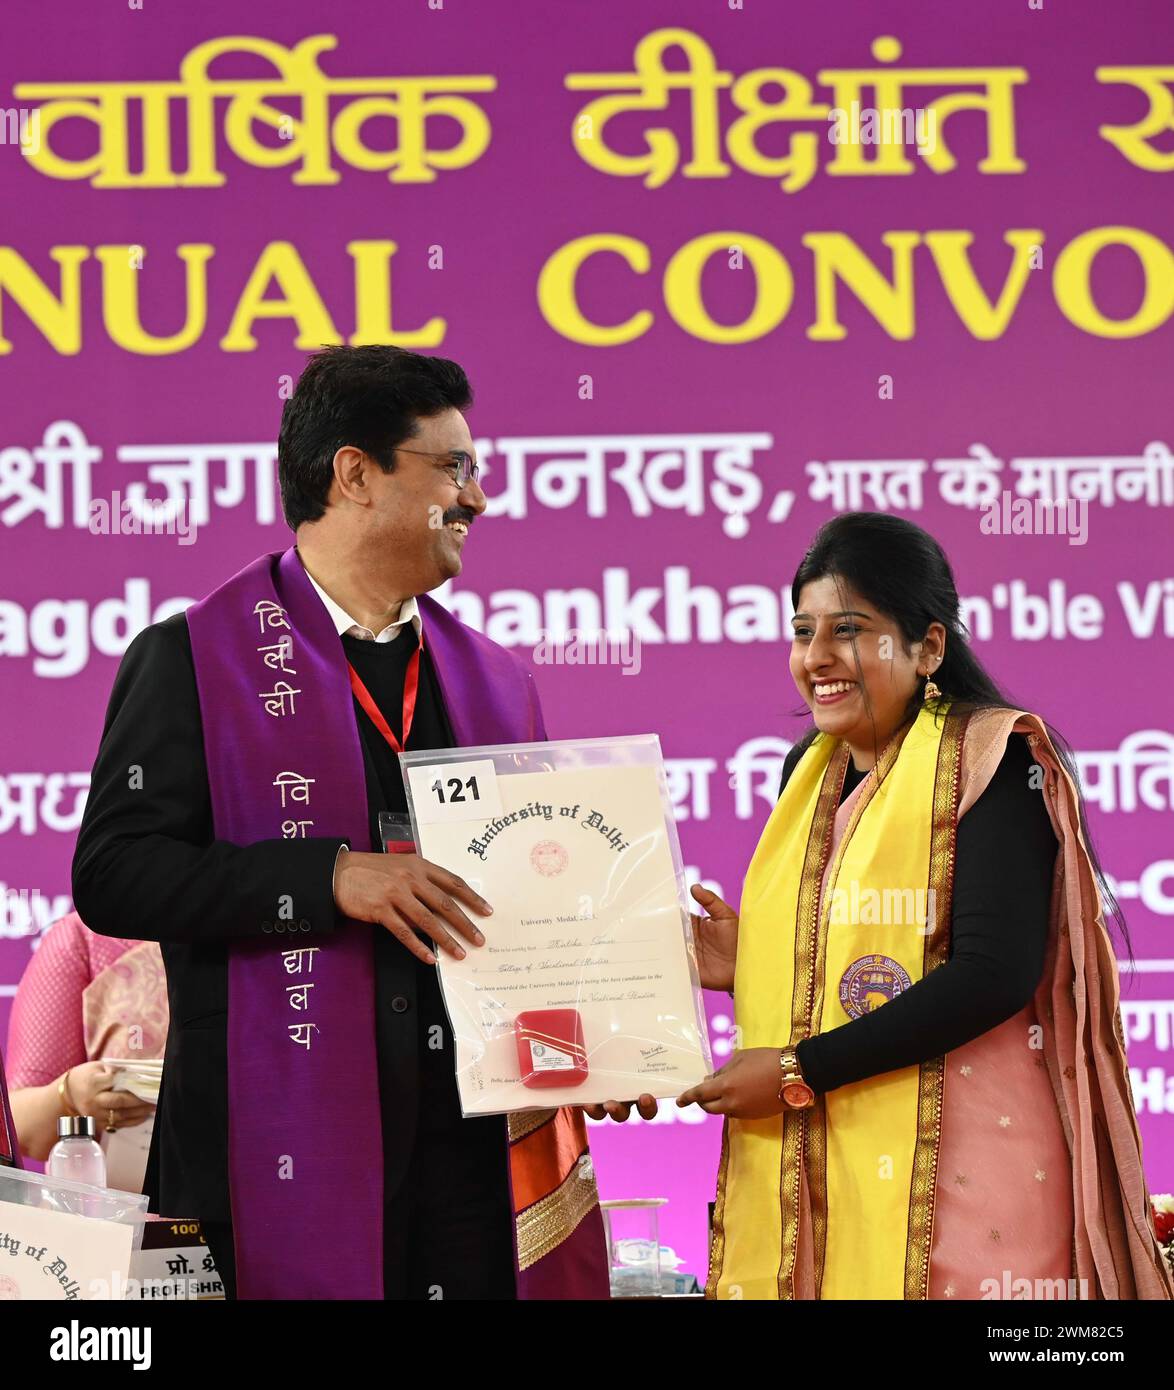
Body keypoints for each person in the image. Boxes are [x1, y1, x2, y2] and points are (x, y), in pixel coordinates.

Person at [72, 346, 607, 1300]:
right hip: (250, 1161)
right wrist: (324, 878)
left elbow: (534, 907)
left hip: (466, 1169)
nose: (477, 499)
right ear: (355, 474)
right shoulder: (191, 658)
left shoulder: (495, 681)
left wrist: (601, 1035)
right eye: (454, 468)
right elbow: (115, 872)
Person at [673, 512, 1172, 1300]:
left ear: (928, 647)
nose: (818, 659)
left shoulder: (996, 759)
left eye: (850, 630)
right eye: (802, 631)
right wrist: (756, 963)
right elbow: (864, 968)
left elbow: (992, 973)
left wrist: (802, 1071)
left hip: (969, 1170)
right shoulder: (813, 770)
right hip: (835, 1154)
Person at [6, 910, 162, 1166]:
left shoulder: (249, 930)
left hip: (246, 1190)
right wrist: (69, 1097)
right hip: (122, 1201)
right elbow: (20, 1125)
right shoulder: (87, 938)